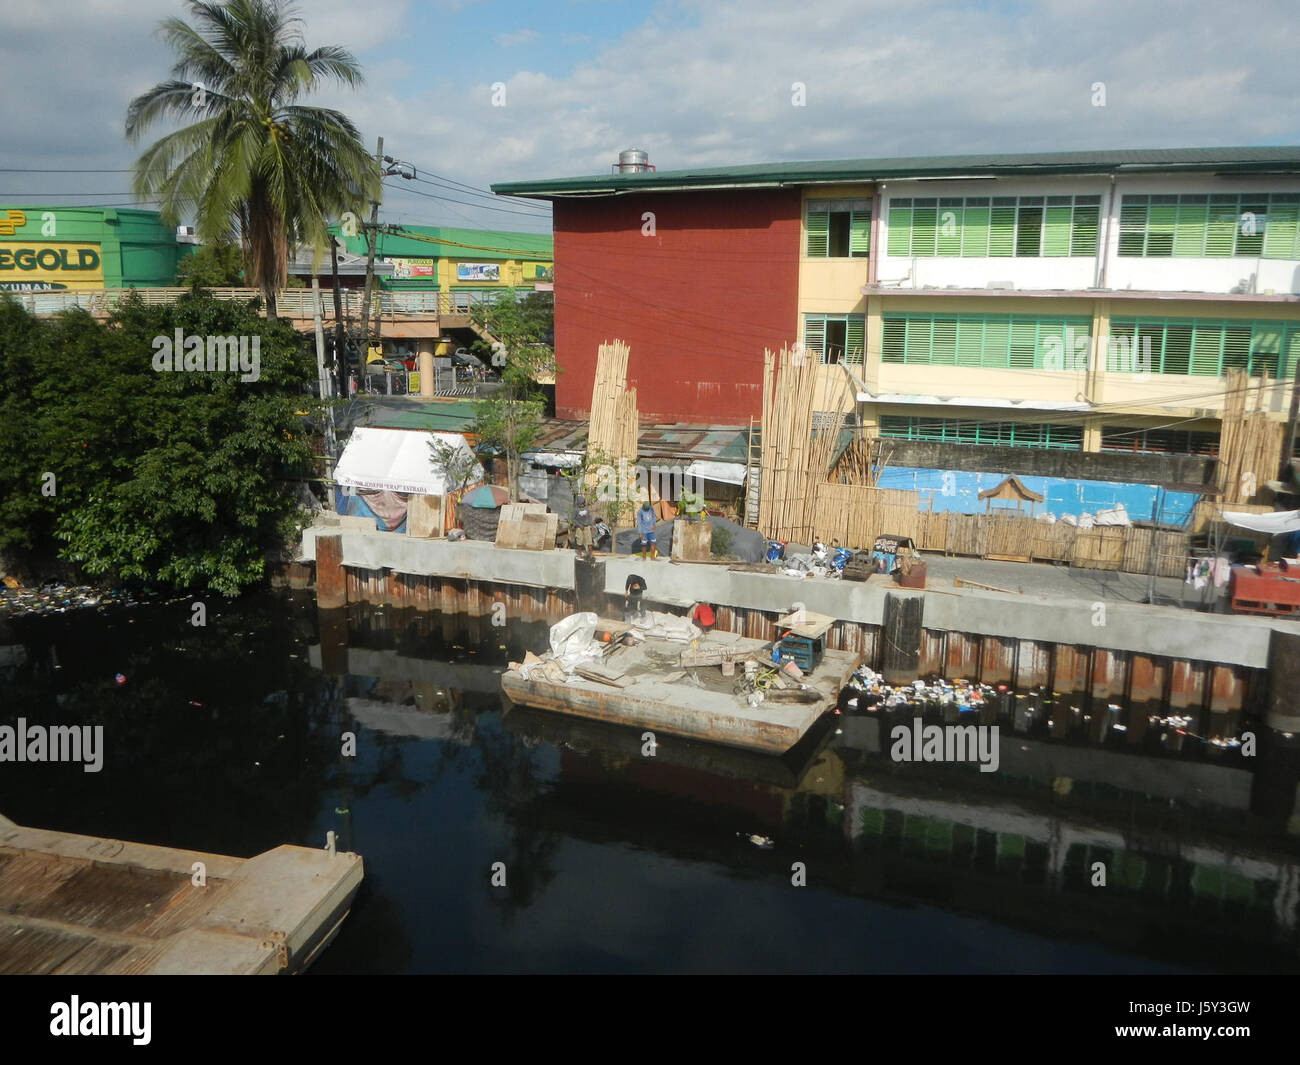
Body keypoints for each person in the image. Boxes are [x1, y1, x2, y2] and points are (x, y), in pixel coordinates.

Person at [571, 494, 594, 560]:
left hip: (587, 527)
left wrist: (591, 526)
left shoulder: (586, 508)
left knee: (589, 541)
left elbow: (589, 517)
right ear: (579, 503)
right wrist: (579, 525)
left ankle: (590, 554)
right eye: (582, 503)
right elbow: (573, 519)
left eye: (584, 503)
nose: (583, 504)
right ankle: (580, 553)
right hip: (579, 528)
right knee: (579, 541)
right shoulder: (575, 510)